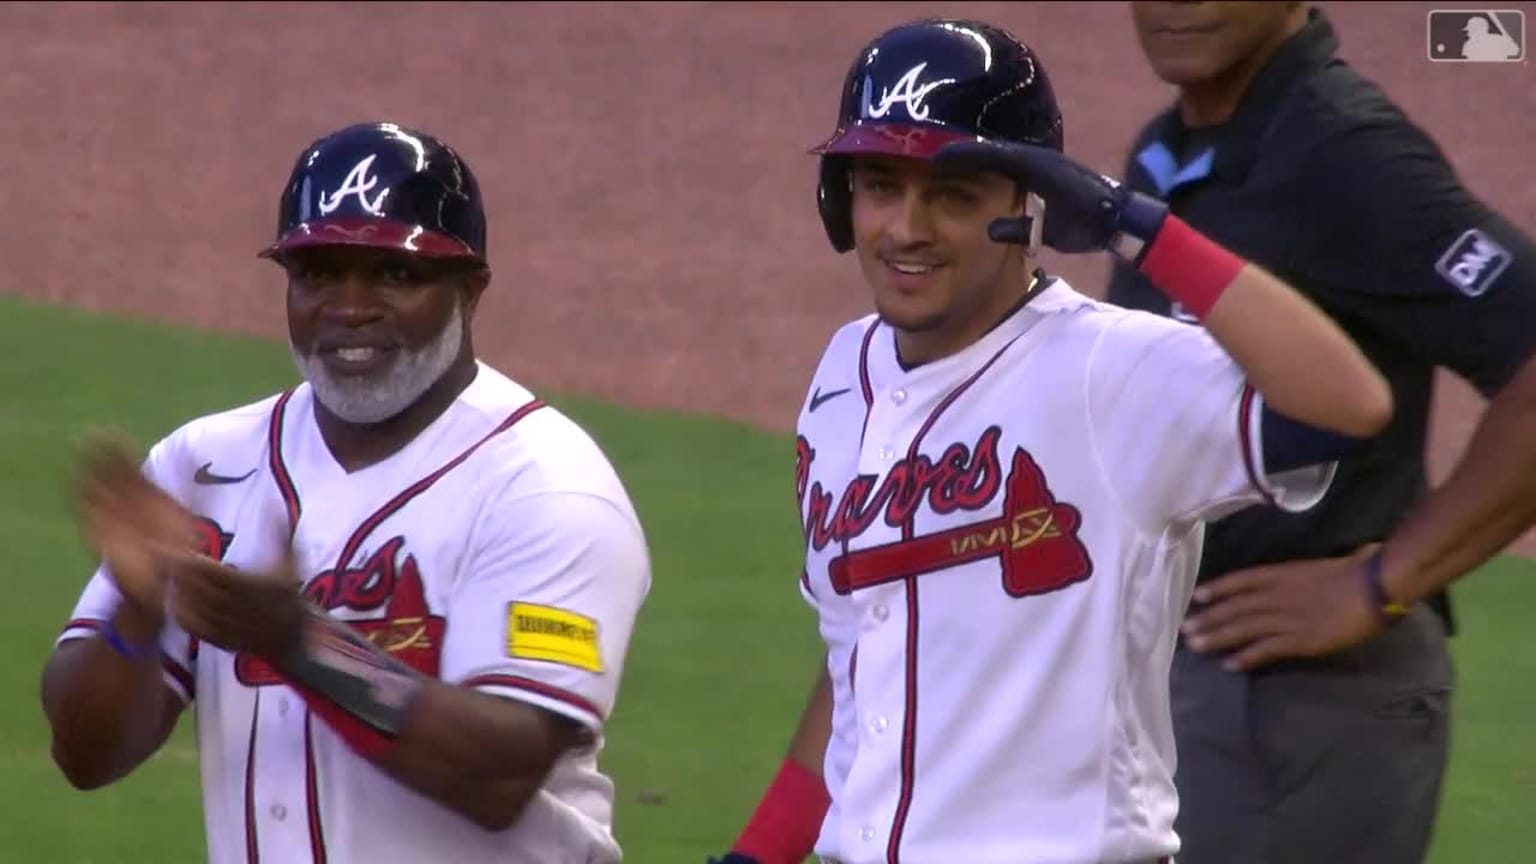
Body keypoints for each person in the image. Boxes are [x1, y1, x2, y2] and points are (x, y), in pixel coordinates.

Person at [710, 16, 1396, 864]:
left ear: (1024, 205)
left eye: (954, 194)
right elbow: (857, 655)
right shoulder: (842, 369)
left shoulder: (1114, 370)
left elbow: (1346, 405)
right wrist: (760, 854)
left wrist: (1136, 225)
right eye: (882, 185)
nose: (907, 228)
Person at [40, 121, 653, 864]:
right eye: (318, 273)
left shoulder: (547, 487)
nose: (350, 306)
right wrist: (136, 618)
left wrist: (301, 643)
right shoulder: (204, 466)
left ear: (471, 292)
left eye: (395, 274)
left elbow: (503, 771)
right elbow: (85, 757)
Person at [1109, 3, 1536, 862]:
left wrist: (1383, 580)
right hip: (1189, 691)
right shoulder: (1172, 153)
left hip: (1299, 710)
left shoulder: (1347, 155)